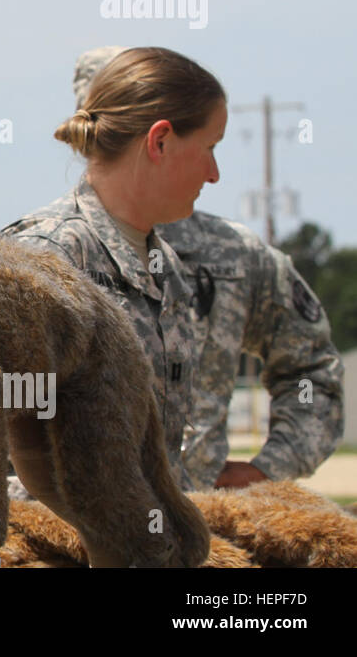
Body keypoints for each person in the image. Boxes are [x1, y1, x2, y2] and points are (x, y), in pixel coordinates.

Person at [73, 47, 344, 492]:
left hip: (204, 536)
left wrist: (267, 470)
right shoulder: (53, 257)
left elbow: (311, 366)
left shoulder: (235, 257)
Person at [0, 47, 227, 488]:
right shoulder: (46, 258)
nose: (215, 173)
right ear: (160, 141)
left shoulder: (167, 268)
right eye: (210, 147)